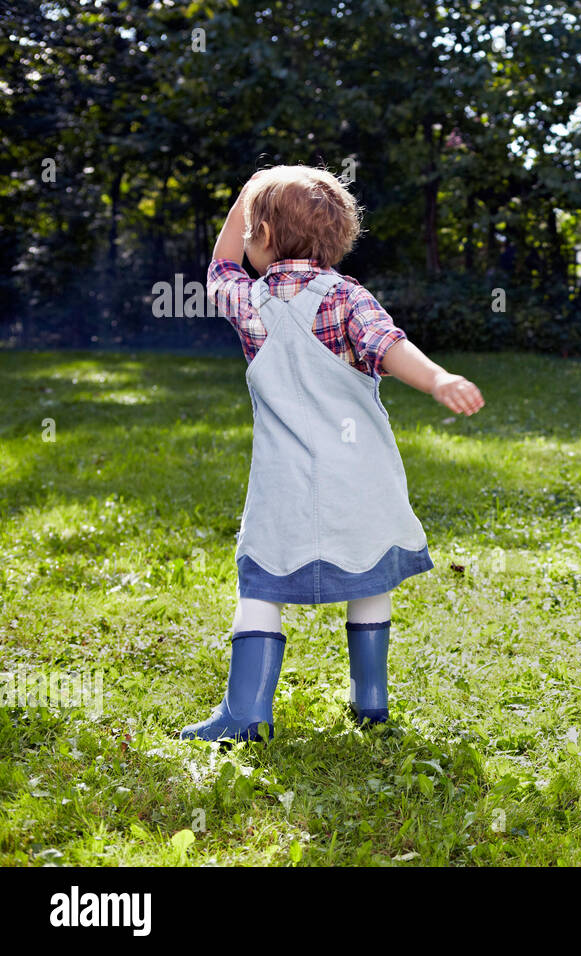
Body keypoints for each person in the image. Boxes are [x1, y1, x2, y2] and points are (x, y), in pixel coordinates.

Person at [181, 165, 484, 742]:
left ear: (263, 235)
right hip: (360, 473)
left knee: (260, 585)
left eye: (252, 229)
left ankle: (246, 713)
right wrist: (439, 378)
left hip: (283, 481)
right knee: (370, 574)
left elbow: (220, 265)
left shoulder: (248, 301)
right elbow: (390, 347)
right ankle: (370, 701)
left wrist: (248, 190)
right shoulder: (348, 297)